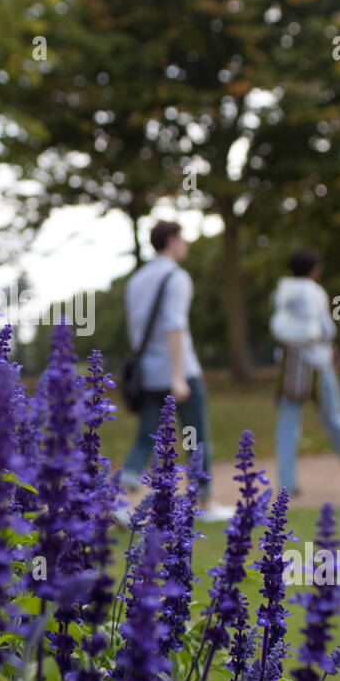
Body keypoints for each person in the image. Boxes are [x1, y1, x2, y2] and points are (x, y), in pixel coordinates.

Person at [120, 221, 229, 520]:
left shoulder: (137, 280)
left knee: (146, 436)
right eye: (183, 238)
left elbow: (136, 329)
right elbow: (175, 326)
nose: (187, 244)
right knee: (195, 435)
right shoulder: (177, 278)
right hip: (177, 369)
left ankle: (116, 499)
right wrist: (179, 375)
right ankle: (203, 501)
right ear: (171, 240)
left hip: (146, 371)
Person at [270, 248, 340, 495]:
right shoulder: (315, 292)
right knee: (335, 420)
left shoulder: (282, 292)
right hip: (317, 365)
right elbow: (325, 330)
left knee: (288, 425)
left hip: (290, 365)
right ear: (314, 269)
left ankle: (287, 484)